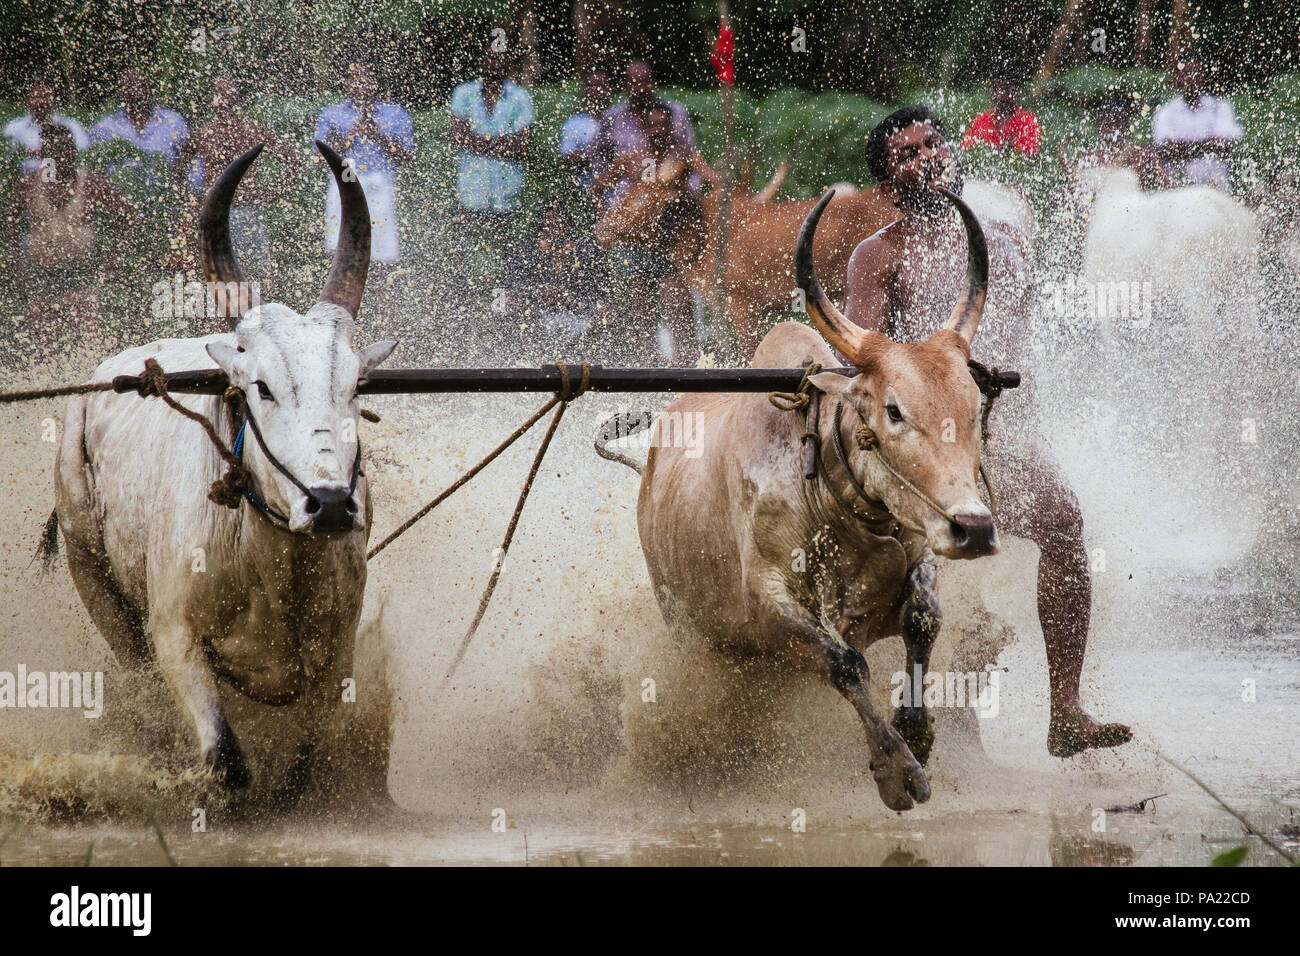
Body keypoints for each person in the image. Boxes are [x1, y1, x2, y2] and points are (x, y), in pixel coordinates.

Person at [843, 106, 1132, 758]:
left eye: (932, 143)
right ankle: (868, 716)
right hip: (920, 441)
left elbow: (1018, 341)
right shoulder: (878, 254)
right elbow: (860, 358)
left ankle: (1065, 711)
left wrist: (1005, 399)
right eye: (907, 154)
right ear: (891, 180)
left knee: (1062, 520)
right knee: (901, 570)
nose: (927, 157)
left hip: (996, 432)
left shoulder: (1002, 239)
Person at [4, 126, 131, 356]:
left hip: (82, 275)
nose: (59, 156)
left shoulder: (91, 183)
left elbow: (129, 217)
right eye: (52, 151)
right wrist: (16, 259)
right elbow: (9, 222)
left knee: (89, 343)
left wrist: (112, 256)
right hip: (42, 276)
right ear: (43, 154)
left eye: (64, 149)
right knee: (43, 347)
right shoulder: (28, 185)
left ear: (74, 152)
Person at [177, 76, 303, 300]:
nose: (225, 100)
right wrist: (192, 203)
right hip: (215, 215)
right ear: (211, 101)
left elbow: (295, 160)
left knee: (256, 274)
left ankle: (258, 320)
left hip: (249, 211)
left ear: (238, 101)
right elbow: (178, 171)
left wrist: (271, 193)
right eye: (220, 95)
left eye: (230, 95)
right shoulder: (202, 135)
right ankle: (216, 325)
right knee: (213, 275)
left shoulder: (253, 132)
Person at [316, 62, 415, 325]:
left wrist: (377, 134)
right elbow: (320, 153)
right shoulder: (333, 113)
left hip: (379, 183)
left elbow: (407, 154)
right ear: (347, 82)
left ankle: (386, 320)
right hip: (344, 178)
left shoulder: (394, 113)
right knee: (341, 252)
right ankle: (337, 319)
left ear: (375, 82)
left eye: (365, 77)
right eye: (354, 78)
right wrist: (350, 135)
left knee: (382, 256)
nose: (360, 83)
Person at [448, 42, 535, 256]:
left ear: (508, 63)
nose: (494, 64)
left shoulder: (520, 97)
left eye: (500, 58)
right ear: (481, 61)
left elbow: (521, 145)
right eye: (490, 58)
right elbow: (459, 135)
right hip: (470, 190)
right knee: (465, 254)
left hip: (506, 192)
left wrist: (478, 140)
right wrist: (499, 143)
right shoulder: (464, 93)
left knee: (506, 255)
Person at [593, 59, 718, 205]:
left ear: (671, 128)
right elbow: (598, 187)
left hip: (676, 210)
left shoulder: (683, 156)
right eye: (652, 128)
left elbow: (716, 182)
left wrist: (693, 200)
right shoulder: (633, 158)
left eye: (662, 128)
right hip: (633, 210)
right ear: (643, 129)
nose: (657, 132)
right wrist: (607, 210)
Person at [88, 69, 193, 193]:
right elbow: (90, 168)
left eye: (140, 85)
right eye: (128, 86)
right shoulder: (105, 128)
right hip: (118, 198)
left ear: (149, 88)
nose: (135, 90)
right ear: (119, 92)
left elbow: (191, 162)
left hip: (165, 196)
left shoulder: (173, 123)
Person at [1152, 58, 1242, 192]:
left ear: (1203, 78)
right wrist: (1207, 144)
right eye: (1187, 74)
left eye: (1196, 74)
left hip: (1217, 187)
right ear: (1178, 79)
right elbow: (1165, 147)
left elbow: (1226, 143)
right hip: (1180, 189)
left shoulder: (1219, 107)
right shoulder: (1166, 112)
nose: (1191, 80)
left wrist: (1183, 147)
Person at [3, 82, 89, 174]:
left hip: (64, 177)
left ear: (54, 99)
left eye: (46, 96)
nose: (41, 102)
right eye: (36, 97)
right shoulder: (14, 129)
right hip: (26, 178)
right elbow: (7, 161)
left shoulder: (72, 126)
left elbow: (83, 153)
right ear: (28, 99)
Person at [558, 68, 610, 194]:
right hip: (587, 190)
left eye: (601, 85)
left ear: (610, 89)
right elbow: (567, 155)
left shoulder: (620, 117)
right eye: (593, 86)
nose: (597, 91)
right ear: (585, 90)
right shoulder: (575, 123)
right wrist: (594, 155)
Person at [961, 76, 1042, 156]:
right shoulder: (981, 120)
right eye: (996, 89)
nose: (1000, 94)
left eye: (1005, 89)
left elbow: (1031, 156)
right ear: (991, 93)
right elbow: (965, 152)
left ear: (1015, 92)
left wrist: (1013, 151)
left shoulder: (1027, 122)